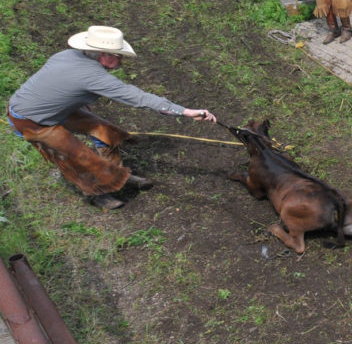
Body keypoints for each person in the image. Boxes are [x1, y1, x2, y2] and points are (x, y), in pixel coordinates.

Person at [6, 26, 218, 210]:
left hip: (54, 109)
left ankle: (117, 175)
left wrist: (77, 100)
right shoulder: (94, 77)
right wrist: (185, 111)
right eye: (117, 55)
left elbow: (58, 84)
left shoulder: (66, 55)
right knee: (78, 156)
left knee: (106, 132)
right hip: (30, 121)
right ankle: (96, 193)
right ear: (102, 55)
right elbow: (138, 97)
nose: (121, 60)